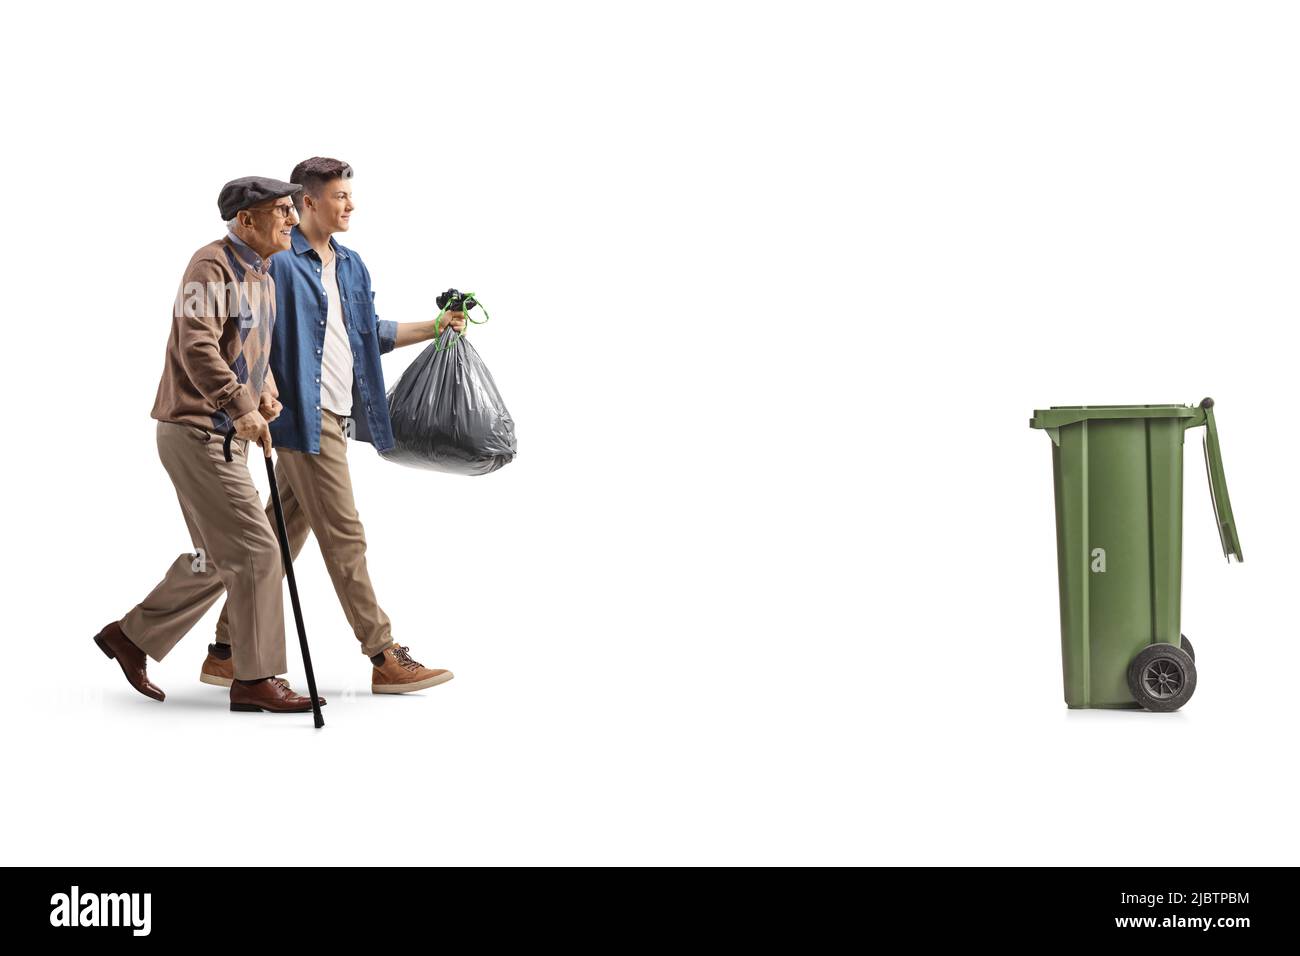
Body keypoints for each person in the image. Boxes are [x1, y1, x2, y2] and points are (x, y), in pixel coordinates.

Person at [200, 158, 462, 695]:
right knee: (345, 535)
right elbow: (245, 337)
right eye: (340, 196)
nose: (350, 205)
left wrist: (435, 328)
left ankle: (226, 650)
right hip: (300, 414)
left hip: (339, 414)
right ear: (308, 202)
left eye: (350, 195)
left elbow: (368, 332)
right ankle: (383, 653)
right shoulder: (275, 262)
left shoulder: (351, 264)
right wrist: (251, 402)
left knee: (272, 540)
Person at [93, 177, 325, 715]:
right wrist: (237, 405)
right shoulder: (211, 266)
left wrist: (263, 395)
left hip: (222, 434)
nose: (292, 220)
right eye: (281, 212)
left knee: (219, 557)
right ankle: (256, 678)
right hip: (197, 430)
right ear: (246, 220)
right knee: (260, 548)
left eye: (292, 211)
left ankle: (130, 637)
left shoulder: (263, 274)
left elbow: (248, 351)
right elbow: (196, 343)